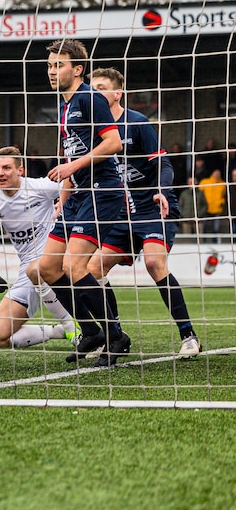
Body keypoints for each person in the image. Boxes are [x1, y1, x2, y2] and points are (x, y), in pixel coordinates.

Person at [87, 69, 200, 357]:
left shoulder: (136, 123)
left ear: (117, 93)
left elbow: (163, 163)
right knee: (92, 269)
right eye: (92, 87)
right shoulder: (91, 131)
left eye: (101, 87)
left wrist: (161, 189)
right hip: (120, 212)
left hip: (152, 206)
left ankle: (188, 335)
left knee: (153, 263)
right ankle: (115, 335)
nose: (94, 92)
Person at [35, 39, 128, 367]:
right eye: (49, 65)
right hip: (78, 195)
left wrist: (72, 168)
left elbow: (113, 142)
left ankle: (116, 335)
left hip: (103, 191)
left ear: (77, 69)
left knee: (75, 268)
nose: (51, 71)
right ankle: (90, 331)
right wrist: (64, 197)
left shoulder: (90, 98)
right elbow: (72, 153)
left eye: (58, 65)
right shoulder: (65, 105)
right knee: (46, 268)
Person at [0, 147, 79, 349]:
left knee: (39, 269)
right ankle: (56, 331)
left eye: (7, 168)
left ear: (21, 170)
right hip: (28, 270)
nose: (1, 173)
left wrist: (63, 203)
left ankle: (73, 329)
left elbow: (73, 183)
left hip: (57, 261)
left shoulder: (40, 187)